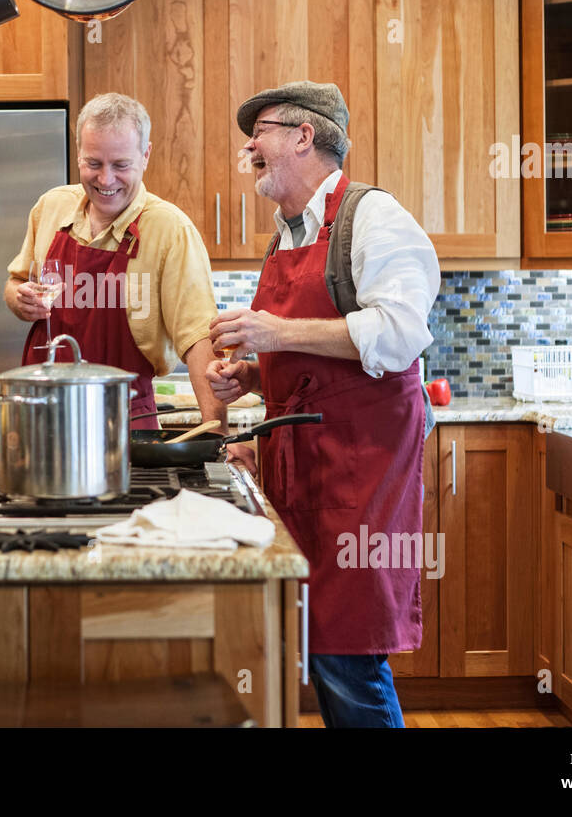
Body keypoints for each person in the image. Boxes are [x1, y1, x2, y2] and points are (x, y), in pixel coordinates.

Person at [207, 81, 440, 727]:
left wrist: (273, 334)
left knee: (348, 656)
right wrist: (255, 376)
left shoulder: (373, 218)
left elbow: (400, 335)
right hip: (303, 474)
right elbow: (314, 361)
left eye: (262, 131)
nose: (249, 146)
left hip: (360, 476)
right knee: (321, 649)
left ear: (304, 136)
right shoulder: (286, 238)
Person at [4, 93, 225, 429]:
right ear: (78, 153)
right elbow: (15, 283)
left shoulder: (170, 230)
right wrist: (19, 300)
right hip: (42, 418)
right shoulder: (51, 208)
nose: (105, 180)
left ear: (145, 155)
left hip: (126, 423)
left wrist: (220, 435)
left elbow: (199, 342)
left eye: (121, 165)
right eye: (93, 163)